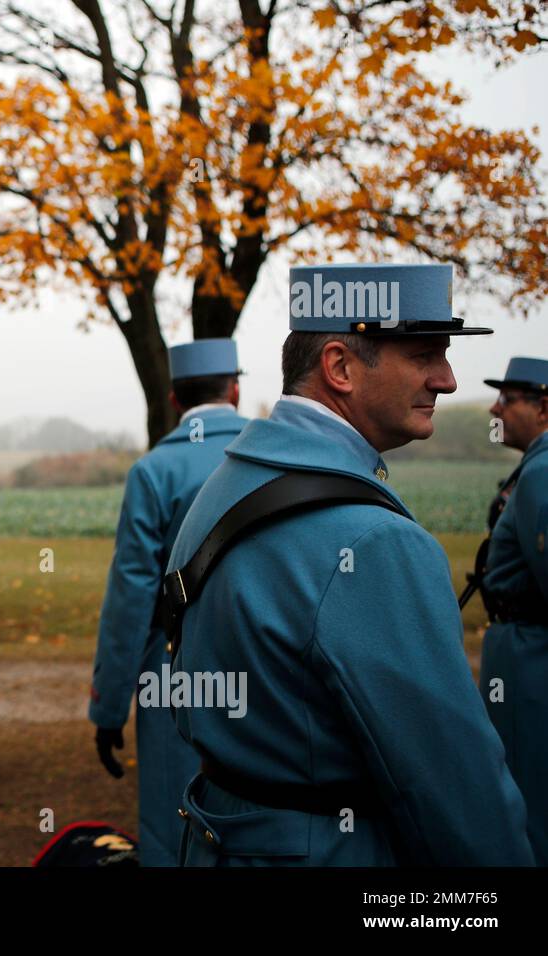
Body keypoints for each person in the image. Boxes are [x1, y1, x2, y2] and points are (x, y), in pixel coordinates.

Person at [168, 263, 533, 866]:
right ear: (339, 367)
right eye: (424, 354)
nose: (446, 379)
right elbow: (457, 791)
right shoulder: (376, 543)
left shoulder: (227, 484)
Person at [89, 338, 247, 866]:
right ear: (237, 390)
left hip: (174, 668)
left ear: (175, 400)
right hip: (271, 663)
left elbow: (132, 595)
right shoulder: (275, 458)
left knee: (172, 824)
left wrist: (109, 707)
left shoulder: (155, 471)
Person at [477, 356, 548, 865]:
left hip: (533, 665)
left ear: (543, 407)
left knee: (528, 804)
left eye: (508, 399)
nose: (494, 408)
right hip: (525, 656)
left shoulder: (543, 472)